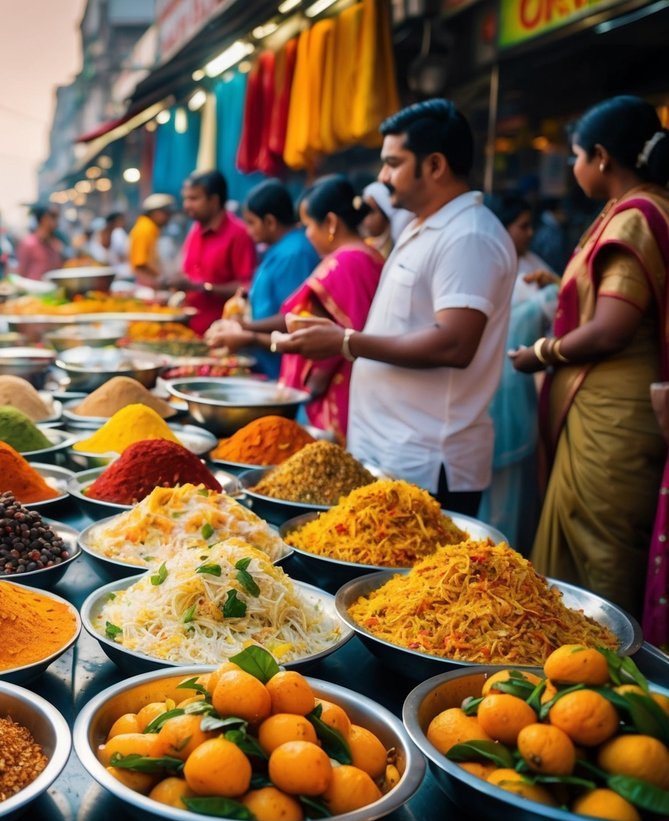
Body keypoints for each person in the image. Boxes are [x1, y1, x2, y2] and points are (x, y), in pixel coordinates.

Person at [275, 99, 517, 514]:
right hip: (390, 452)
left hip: (426, 461)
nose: (383, 177)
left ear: (435, 165)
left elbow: (454, 344)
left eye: (393, 163)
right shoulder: (422, 226)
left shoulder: (468, 236)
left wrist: (346, 342)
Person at [511, 95, 669, 634]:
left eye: (575, 155)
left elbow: (613, 328)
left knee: (601, 546)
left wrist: (540, 353)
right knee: (589, 540)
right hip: (606, 403)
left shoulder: (635, 219)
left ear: (601, 157)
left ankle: (609, 671)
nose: (573, 166)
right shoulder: (632, 210)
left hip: (613, 414)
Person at [211, 177, 382, 438]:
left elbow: (344, 330)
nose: (307, 235)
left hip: (335, 393)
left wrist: (313, 385)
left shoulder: (348, 261)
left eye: (309, 226)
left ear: (332, 223)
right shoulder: (363, 255)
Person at [478, 194, 559, 551]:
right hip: (484, 392)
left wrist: (556, 285)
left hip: (515, 395)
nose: (529, 233)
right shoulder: (479, 268)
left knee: (510, 494)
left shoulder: (534, 270)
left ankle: (504, 559)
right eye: (522, 225)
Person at [206, 179, 320, 378]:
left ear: (270, 222)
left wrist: (244, 329)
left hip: (280, 366)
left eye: (251, 222)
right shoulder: (279, 248)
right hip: (265, 361)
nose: (248, 231)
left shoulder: (295, 253)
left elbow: (295, 316)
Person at [168, 170, 257, 335]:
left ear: (214, 200)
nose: (186, 205)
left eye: (193, 198)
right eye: (185, 198)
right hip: (189, 330)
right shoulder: (195, 229)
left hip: (221, 334)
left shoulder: (239, 234)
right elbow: (188, 272)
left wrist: (204, 288)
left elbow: (247, 287)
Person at [128, 194, 174, 288]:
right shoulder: (144, 229)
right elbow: (140, 263)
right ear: (156, 213)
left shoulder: (150, 228)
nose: (168, 218)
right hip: (145, 286)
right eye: (167, 214)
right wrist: (161, 279)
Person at [359, 181, 414, 258]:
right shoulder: (366, 247)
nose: (365, 219)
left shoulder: (405, 247)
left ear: (387, 213)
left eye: (371, 212)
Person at [16, 206, 63, 281]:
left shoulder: (54, 243)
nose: (56, 221)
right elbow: (21, 271)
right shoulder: (28, 243)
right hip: (33, 289)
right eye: (53, 217)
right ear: (43, 219)